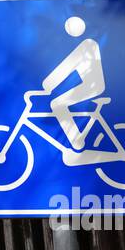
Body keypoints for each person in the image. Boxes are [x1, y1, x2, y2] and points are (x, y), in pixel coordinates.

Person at [39, 16, 105, 151]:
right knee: (58, 103)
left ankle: (77, 143)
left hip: (92, 86)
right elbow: (68, 66)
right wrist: (48, 86)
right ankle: (76, 140)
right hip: (89, 85)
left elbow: (67, 67)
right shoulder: (86, 45)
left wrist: (48, 85)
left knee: (57, 104)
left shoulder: (87, 45)